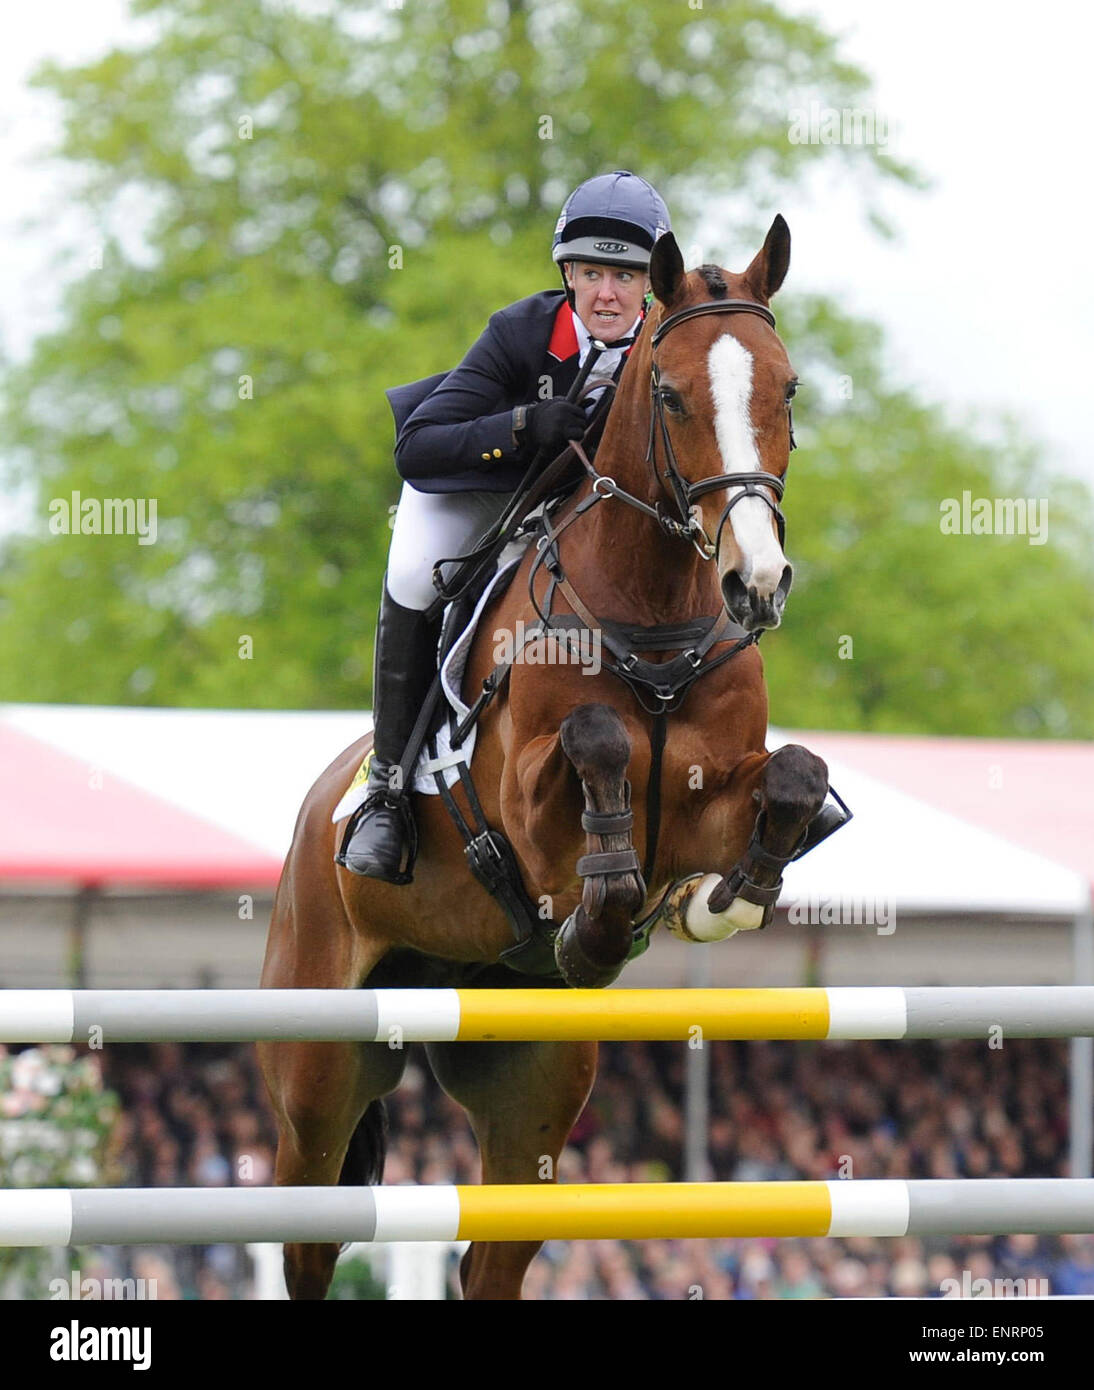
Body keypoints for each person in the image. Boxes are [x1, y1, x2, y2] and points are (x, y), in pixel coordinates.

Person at [337, 171, 672, 881]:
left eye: (625, 274)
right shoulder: (521, 332)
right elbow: (419, 445)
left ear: (651, 281)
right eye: (591, 273)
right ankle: (389, 794)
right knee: (410, 577)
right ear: (567, 275)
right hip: (485, 488)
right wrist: (520, 426)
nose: (606, 293)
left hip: (594, 511)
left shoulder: (670, 344)